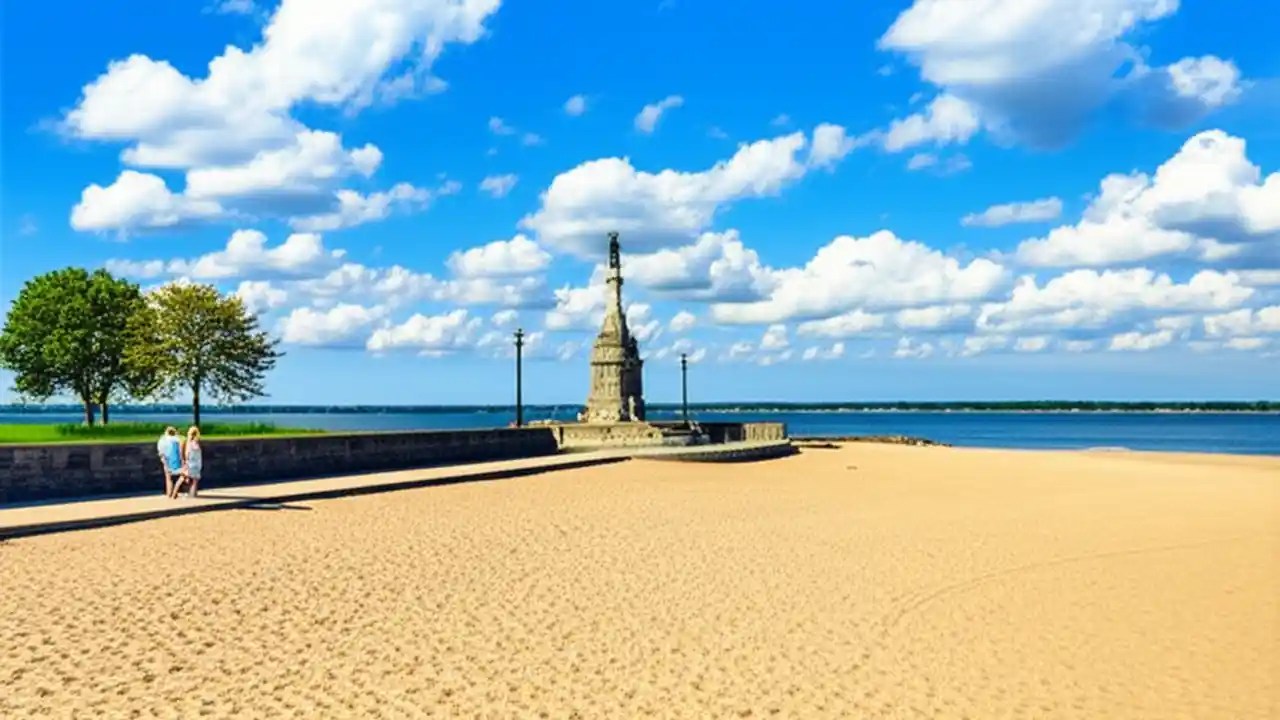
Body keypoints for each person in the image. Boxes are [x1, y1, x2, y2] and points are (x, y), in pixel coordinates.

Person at [157, 427, 183, 498]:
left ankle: (169, 493)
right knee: (181, 476)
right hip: (176, 461)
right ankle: (175, 492)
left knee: (168, 478)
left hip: (166, 459)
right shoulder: (177, 440)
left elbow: (161, 452)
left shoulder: (162, 440)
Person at [183, 426, 203, 498]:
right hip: (197, 464)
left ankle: (191, 494)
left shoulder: (189, 443)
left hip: (191, 463)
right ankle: (193, 494)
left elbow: (187, 454)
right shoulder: (196, 443)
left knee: (191, 480)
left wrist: (186, 462)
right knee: (195, 480)